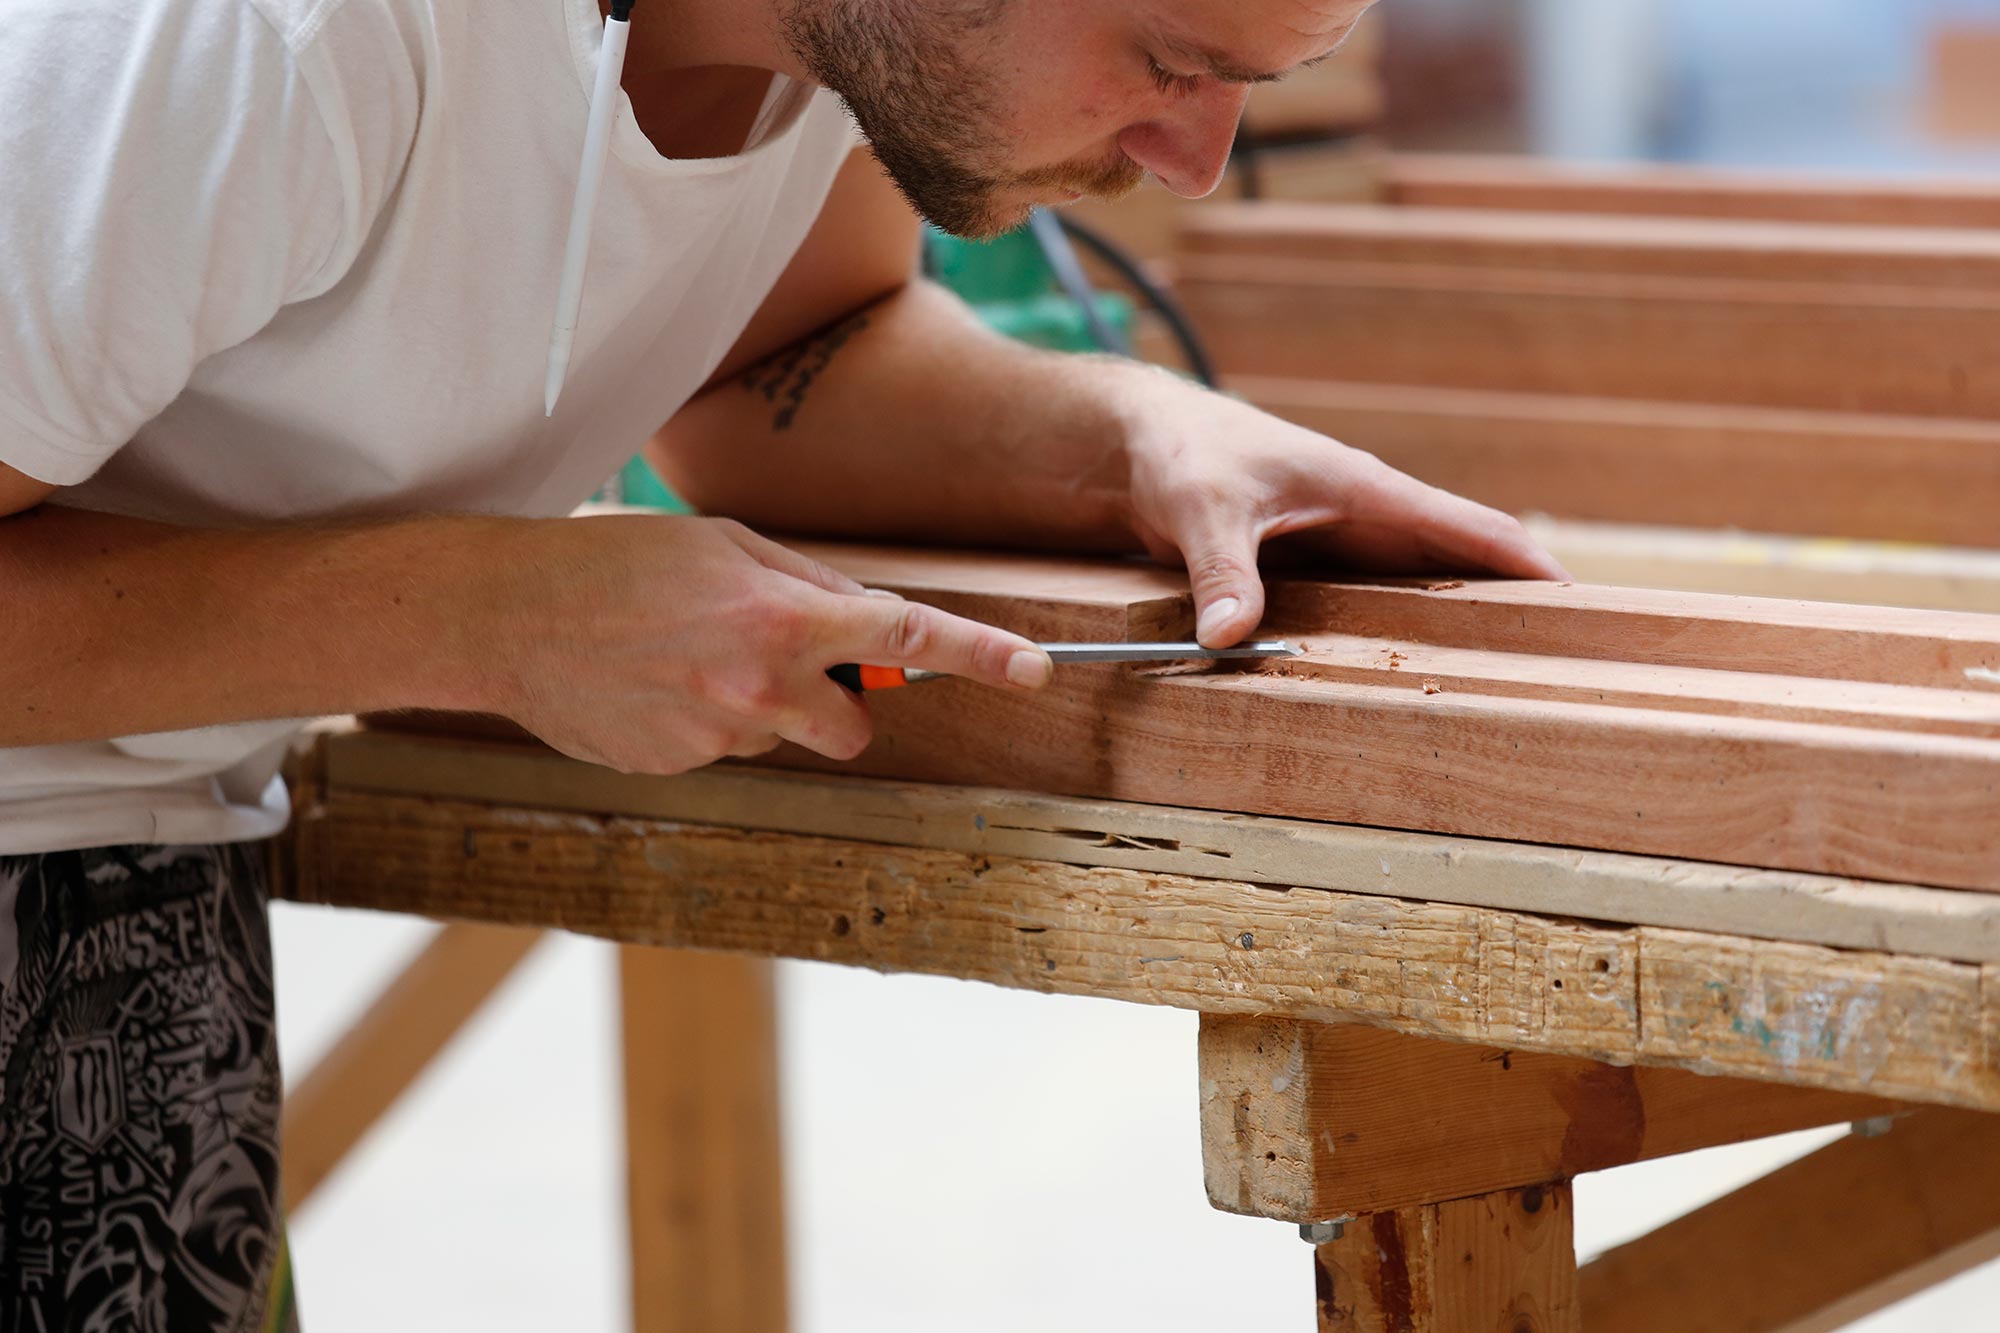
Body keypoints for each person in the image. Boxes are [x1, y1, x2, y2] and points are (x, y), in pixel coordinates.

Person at [0, 0, 1565, 1324]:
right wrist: (480, 617)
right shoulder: (282, 41)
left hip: (144, 871)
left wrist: (1129, 437)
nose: (1199, 162)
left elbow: (777, 366)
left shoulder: (834, 50)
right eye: (1168, 57)